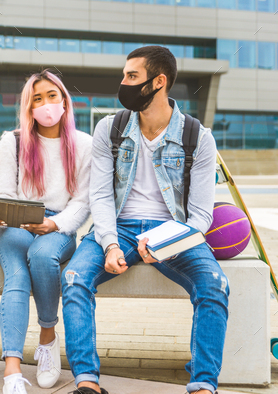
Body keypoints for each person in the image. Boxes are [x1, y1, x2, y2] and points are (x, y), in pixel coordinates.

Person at [61, 46, 229, 394]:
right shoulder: (110, 128)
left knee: (215, 284)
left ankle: (202, 385)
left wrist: (167, 244)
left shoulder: (198, 138)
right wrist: (108, 243)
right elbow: (101, 197)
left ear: (159, 82)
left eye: (132, 77)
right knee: (74, 278)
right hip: (118, 227)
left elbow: (200, 216)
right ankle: (87, 382)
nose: (123, 83)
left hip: (174, 232)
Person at [0, 70, 92, 394]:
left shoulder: (84, 144)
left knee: (43, 256)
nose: (45, 104)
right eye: (37, 99)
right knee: (16, 277)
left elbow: (83, 202)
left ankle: (47, 338)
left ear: (64, 100)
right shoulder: (13, 141)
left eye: (51, 96)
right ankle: (12, 371)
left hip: (58, 223)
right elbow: (3, 193)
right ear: (28, 107)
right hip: (17, 223)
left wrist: (54, 225)